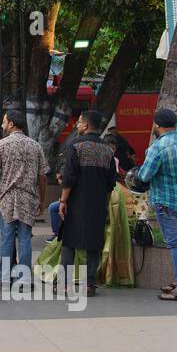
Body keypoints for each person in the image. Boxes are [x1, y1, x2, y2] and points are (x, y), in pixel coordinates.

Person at [57, 111, 117, 297]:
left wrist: (63, 200)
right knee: (94, 244)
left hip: (76, 201)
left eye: (79, 122)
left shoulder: (75, 145)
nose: (77, 125)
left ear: (85, 125)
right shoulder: (107, 149)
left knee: (69, 242)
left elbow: (70, 177)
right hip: (98, 202)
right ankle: (90, 284)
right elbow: (110, 182)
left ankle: (64, 284)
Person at [137, 107, 177, 301]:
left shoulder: (159, 146)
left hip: (167, 199)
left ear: (157, 125)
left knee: (174, 243)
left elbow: (145, 174)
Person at [0, 111, 48, 285]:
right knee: (25, 238)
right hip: (28, 198)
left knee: (6, 238)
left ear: (11, 124)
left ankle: (5, 278)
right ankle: (25, 279)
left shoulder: (1, 145)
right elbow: (42, 176)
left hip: (6, 198)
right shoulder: (35, 145)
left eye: (4, 122)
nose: (3, 125)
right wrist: (42, 200)